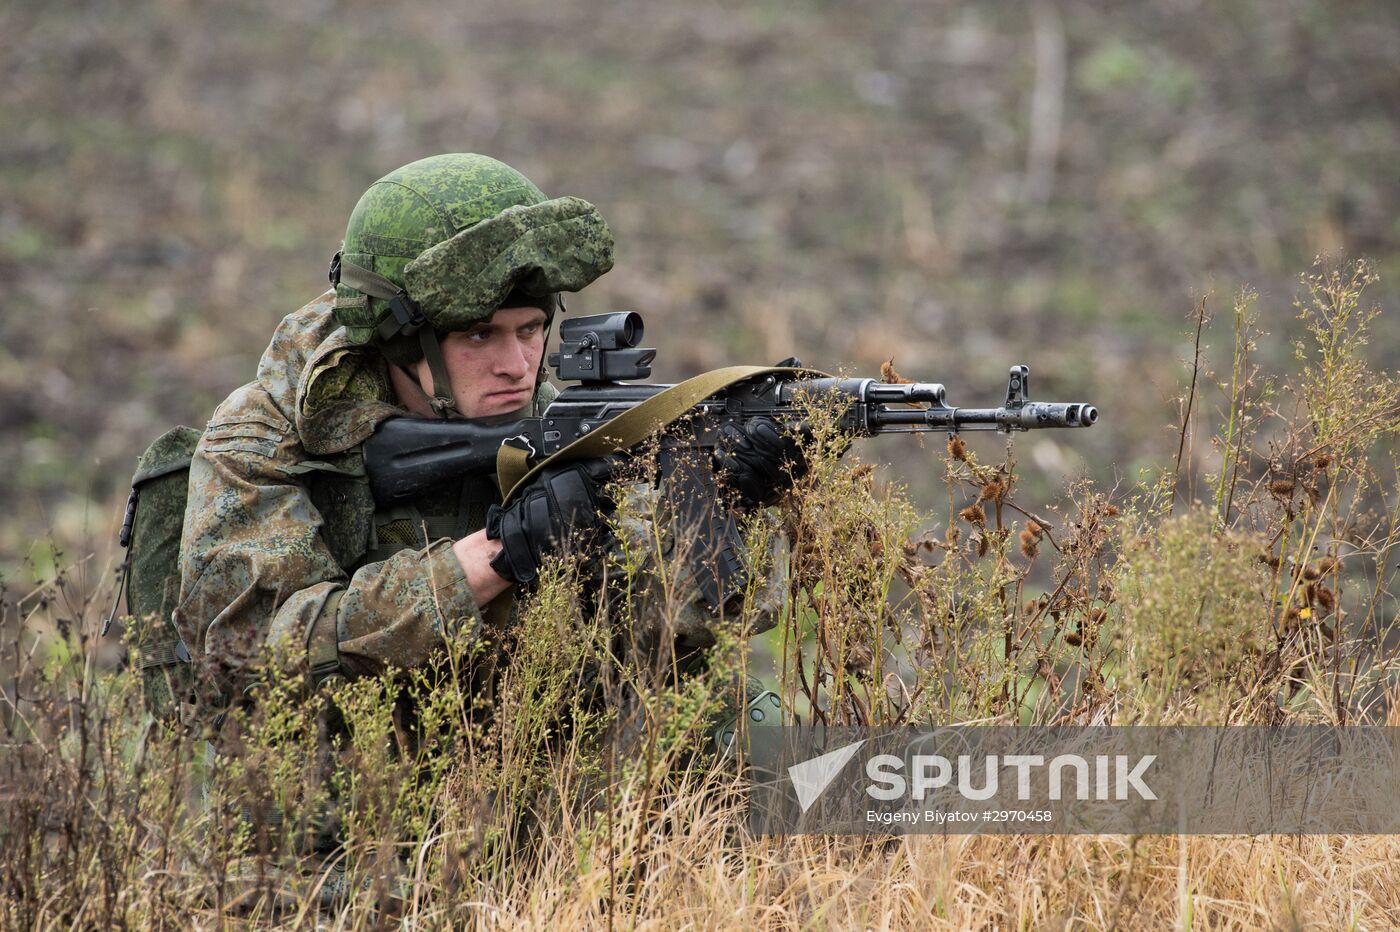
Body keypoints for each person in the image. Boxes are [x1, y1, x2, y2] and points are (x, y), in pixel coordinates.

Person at [175, 151, 803, 725]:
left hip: (537, 756)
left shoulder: (561, 421)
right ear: (399, 342)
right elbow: (248, 660)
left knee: (767, 735)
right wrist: (495, 558)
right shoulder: (265, 440)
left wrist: (726, 504)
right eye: (480, 336)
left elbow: (674, 636)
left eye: (531, 330)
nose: (518, 365)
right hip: (354, 795)